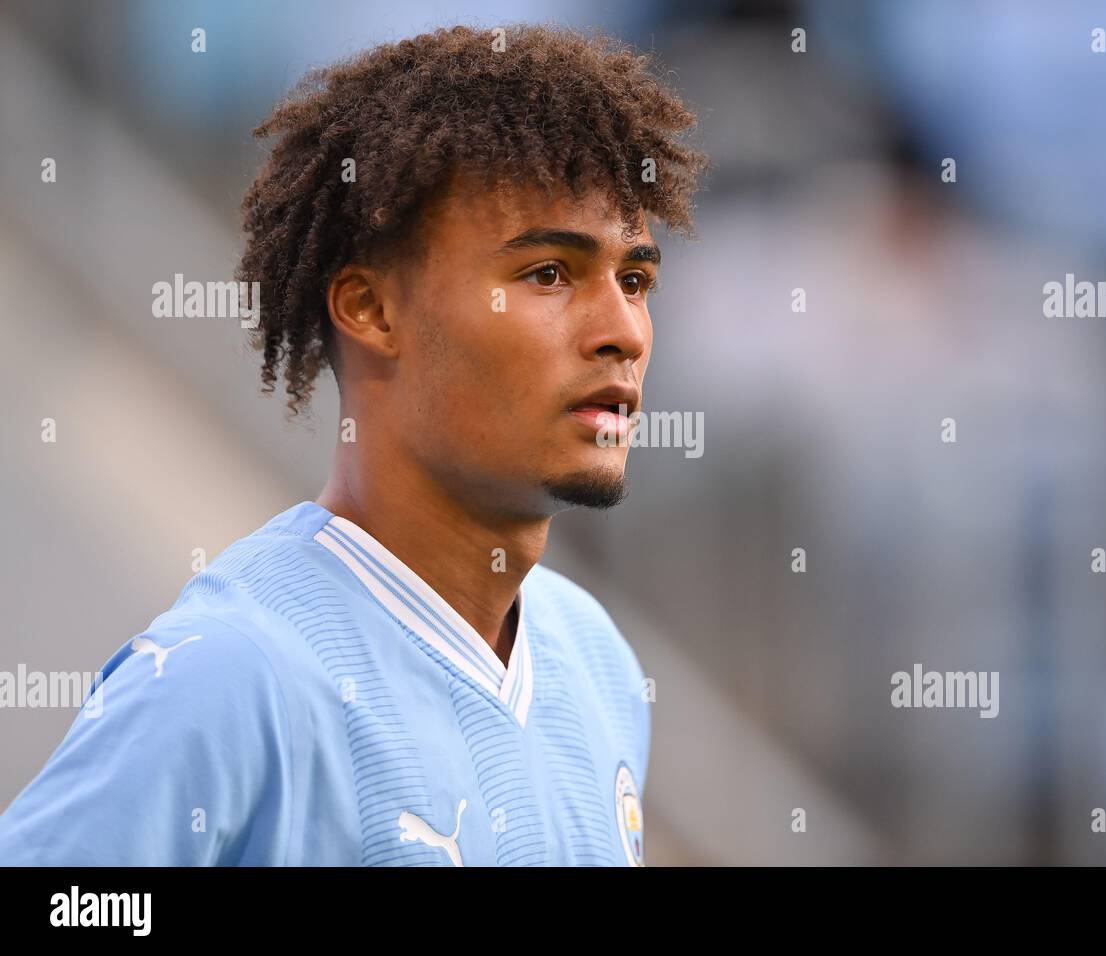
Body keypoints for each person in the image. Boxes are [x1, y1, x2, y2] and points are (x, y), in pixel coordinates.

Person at [0, 24, 707, 866]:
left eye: (635, 281)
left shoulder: (600, 663)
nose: (623, 330)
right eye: (548, 273)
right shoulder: (232, 676)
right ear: (371, 310)